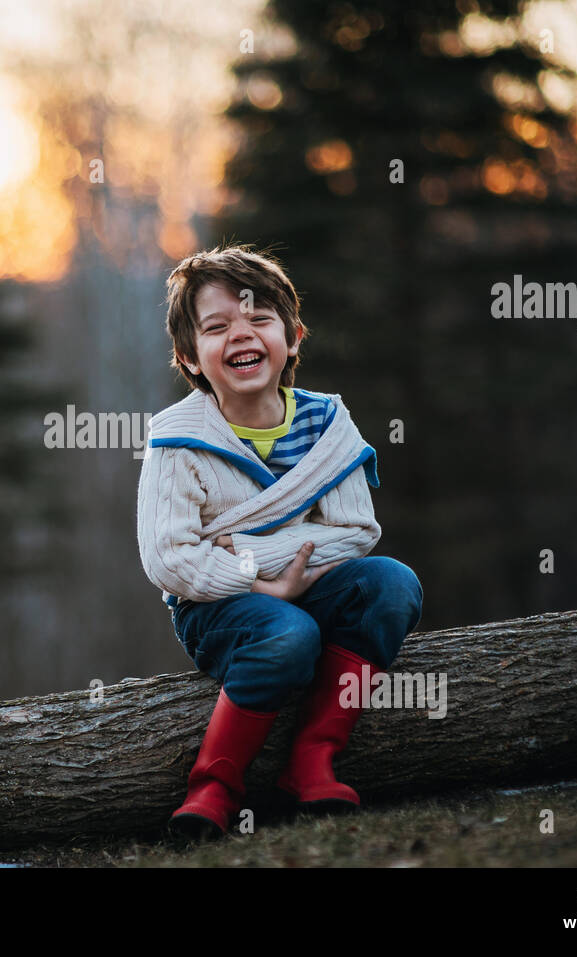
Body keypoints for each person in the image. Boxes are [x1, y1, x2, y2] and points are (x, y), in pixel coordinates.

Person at [135, 243, 423, 840]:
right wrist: (258, 579)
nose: (241, 335)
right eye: (217, 327)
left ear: (292, 337)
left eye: (259, 319)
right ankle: (213, 785)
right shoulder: (177, 441)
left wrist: (267, 565)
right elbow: (170, 559)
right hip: (216, 607)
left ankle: (312, 759)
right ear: (190, 357)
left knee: (392, 584)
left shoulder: (326, 423)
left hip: (309, 584)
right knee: (289, 633)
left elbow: (357, 530)